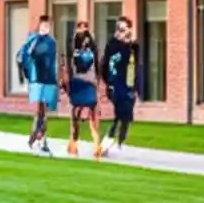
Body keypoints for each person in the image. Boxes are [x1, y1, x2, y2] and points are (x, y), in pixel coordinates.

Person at [16, 14, 59, 155]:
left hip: (49, 79)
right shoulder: (33, 40)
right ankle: (36, 138)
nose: (46, 28)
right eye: (44, 25)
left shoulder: (52, 42)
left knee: (45, 112)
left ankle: (40, 139)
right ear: (40, 25)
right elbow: (23, 56)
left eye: (48, 26)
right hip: (37, 79)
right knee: (39, 111)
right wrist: (25, 74)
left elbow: (54, 61)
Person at [101, 15, 141, 154]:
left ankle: (120, 141)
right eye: (120, 29)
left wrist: (137, 87)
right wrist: (108, 83)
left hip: (129, 85)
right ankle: (108, 142)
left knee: (127, 116)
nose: (122, 32)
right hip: (115, 85)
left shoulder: (133, 46)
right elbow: (105, 65)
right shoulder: (112, 45)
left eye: (125, 29)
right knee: (119, 114)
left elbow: (137, 65)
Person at [64, 21, 104, 158]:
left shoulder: (88, 47)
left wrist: (98, 82)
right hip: (81, 82)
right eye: (81, 28)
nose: (83, 31)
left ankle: (92, 144)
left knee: (86, 113)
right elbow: (69, 65)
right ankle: (77, 143)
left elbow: (97, 64)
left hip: (86, 82)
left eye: (84, 28)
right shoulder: (77, 46)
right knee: (80, 113)